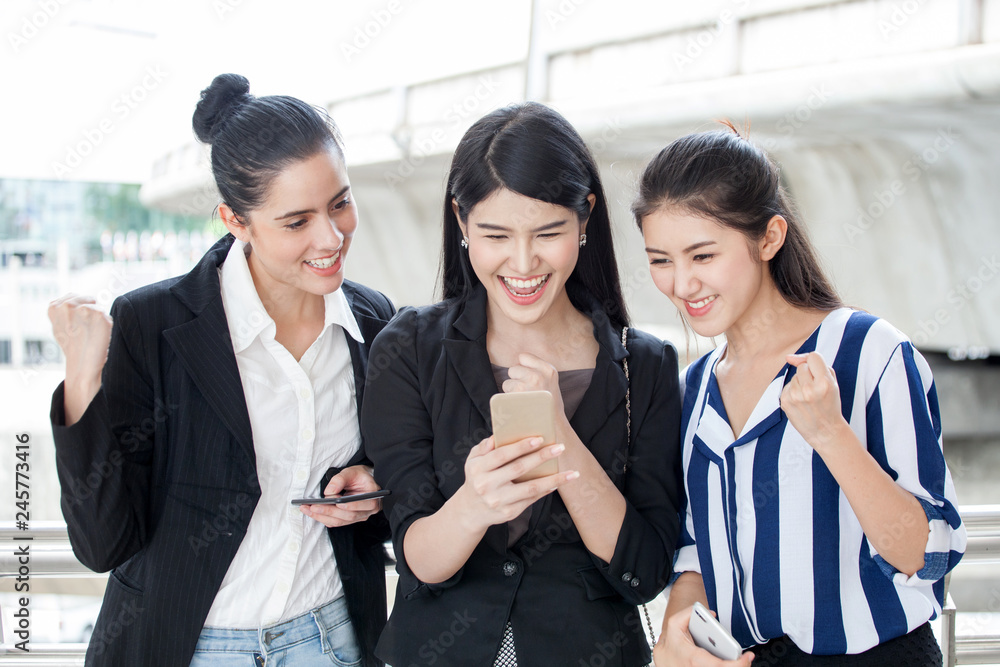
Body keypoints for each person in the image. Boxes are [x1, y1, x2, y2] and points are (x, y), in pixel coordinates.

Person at [48, 73, 394, 667]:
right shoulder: (153, 324)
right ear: (235, 220)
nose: (331, 236)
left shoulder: (372, 319)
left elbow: (393, 487)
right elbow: (103, 542)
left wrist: (374, 493)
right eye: (296, 221)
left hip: (330, 640)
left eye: (340, 203)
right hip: (186, 647)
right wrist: (83, 383)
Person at [361, 102, 682, 666]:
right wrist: (473, 504)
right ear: (461, 222)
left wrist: (562, 436)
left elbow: (645, 571)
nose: (523, 261)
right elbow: (417, 560)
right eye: (495, 235)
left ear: (585, 218)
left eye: (548, 232)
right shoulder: (409, 348)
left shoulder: (645, 365)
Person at [634, 125, 967, 666]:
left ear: (768, 238)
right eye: (661, 260)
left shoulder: (867, 352)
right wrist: (679, 631)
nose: (681, 284)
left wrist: (831, 435)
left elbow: (927, 554)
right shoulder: (693, 391)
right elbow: (696, 548)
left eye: (702, 256)